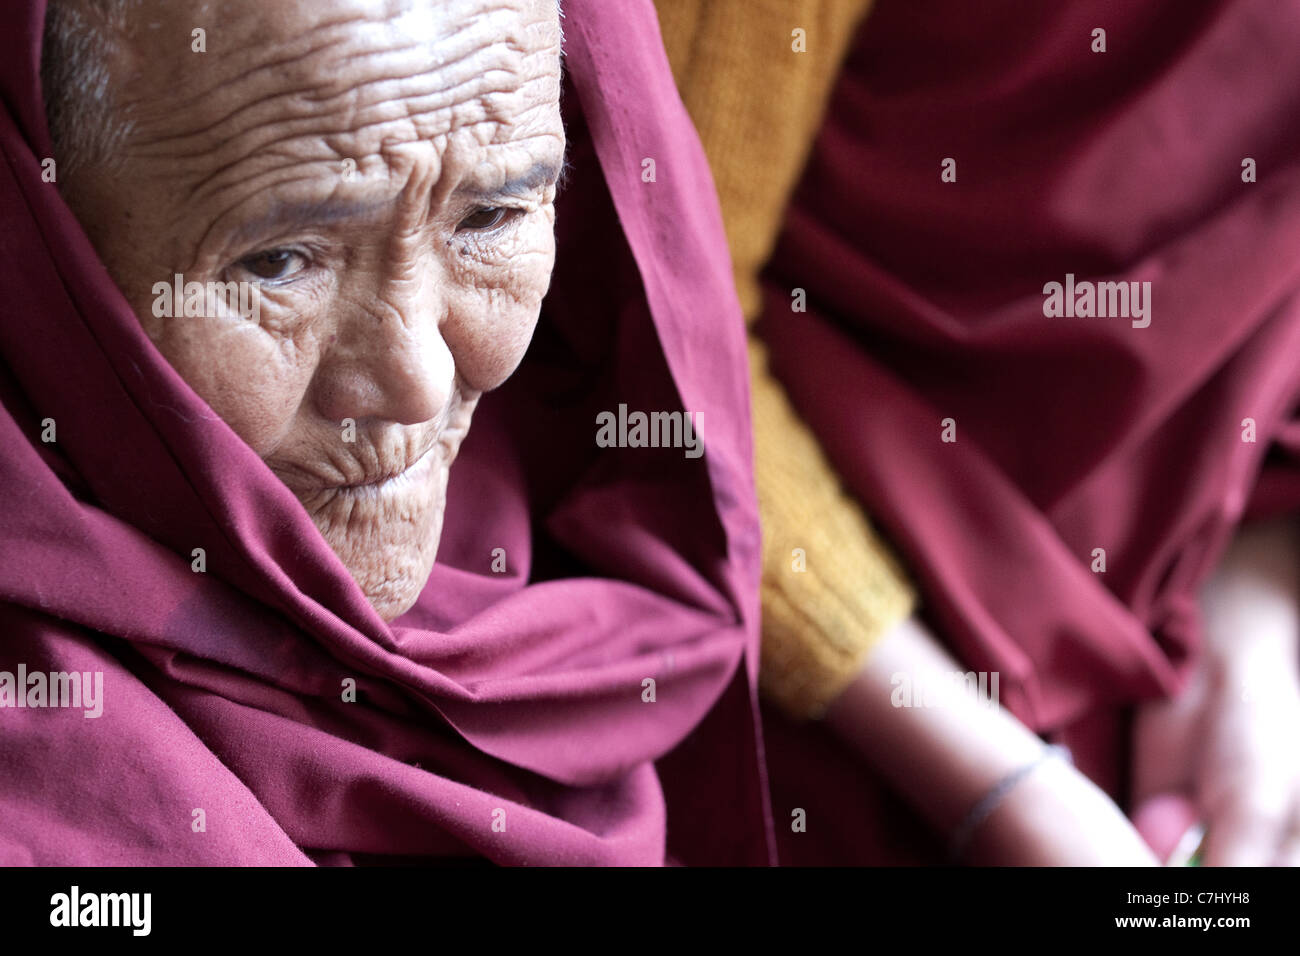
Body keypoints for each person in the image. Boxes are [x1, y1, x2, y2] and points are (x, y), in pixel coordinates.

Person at [0, 0, 775, 865]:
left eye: (488, 219)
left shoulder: (582, 515)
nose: (420, 385)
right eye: (279, 262)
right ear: (36, 235)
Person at [656, 0, 1300, 865]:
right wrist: (1000, 790)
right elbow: (667, 332)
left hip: (1182, 652)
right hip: (788, 638)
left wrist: (1244, 624)